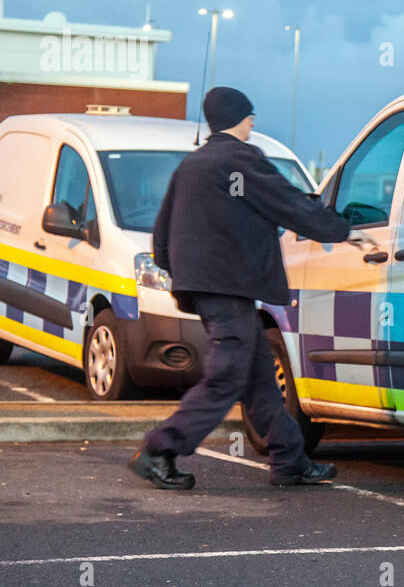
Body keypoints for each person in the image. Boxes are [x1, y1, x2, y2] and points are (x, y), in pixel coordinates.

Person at [128, 86, 368, 489]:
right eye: (250, 115)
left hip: (206, 287)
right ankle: (160, 449)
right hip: (228, 287)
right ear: (239, 118)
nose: (254, 122)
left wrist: (186, 272)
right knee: (226, 377)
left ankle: (290, 459)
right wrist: (339, 230)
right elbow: (285, 202)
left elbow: (162, 234)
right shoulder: (239, 159)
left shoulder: (193, 164)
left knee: (256, 374)